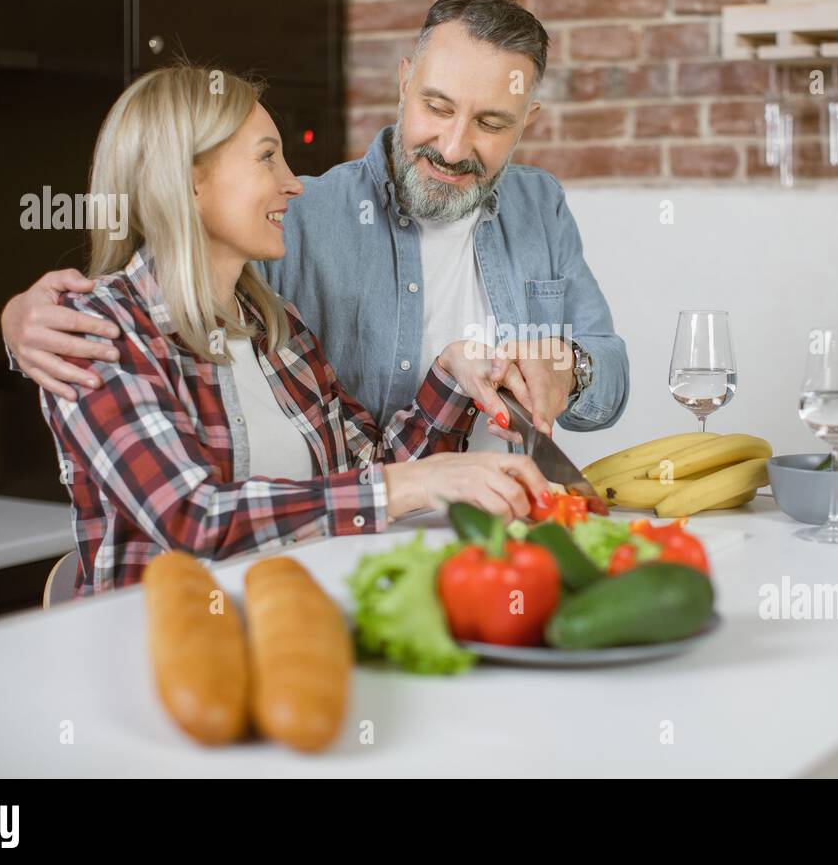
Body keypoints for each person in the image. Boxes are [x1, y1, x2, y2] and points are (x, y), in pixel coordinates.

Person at [2, 0, 629, 453]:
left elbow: (609, 376)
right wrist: (17, 324)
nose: (454, 145)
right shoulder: (300, 215)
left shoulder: (539, 204)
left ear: (527, 123)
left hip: (499, 537)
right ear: (404, 83)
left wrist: (571, 369)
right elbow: (161, 292)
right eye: (437, 108)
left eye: (491, 123)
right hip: (364, 540)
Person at [43, 64, 550, 594]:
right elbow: (191, 521)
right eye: (267, 157)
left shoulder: (277, 326)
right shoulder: (96, 330)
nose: (292, 184)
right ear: (189, 179)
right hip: (159, 638)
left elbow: (365, 473)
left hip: (295, 620)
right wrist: (411, 483)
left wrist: (451, 371)